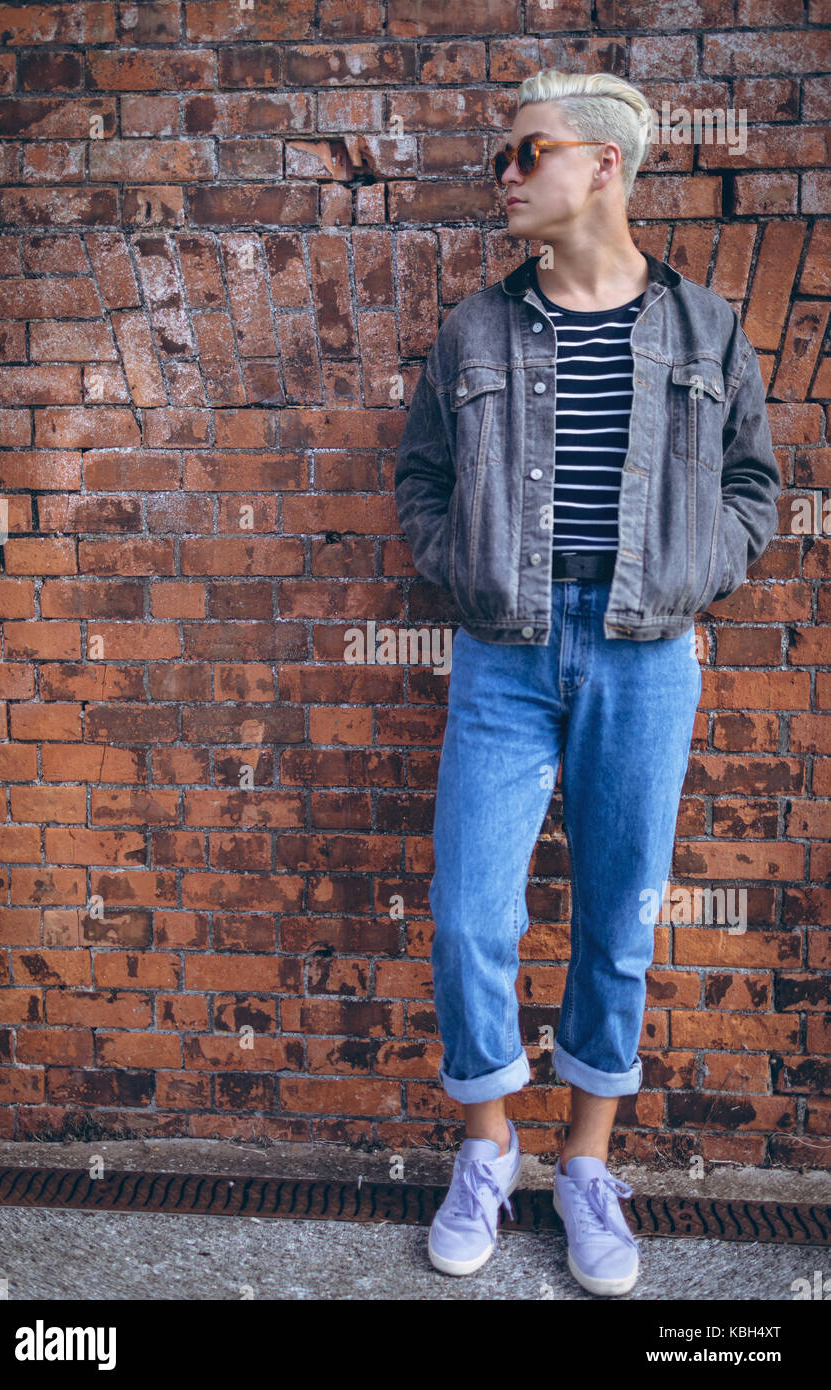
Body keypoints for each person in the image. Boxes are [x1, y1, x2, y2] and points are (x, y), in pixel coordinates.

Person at [394, 68, 780, 1296]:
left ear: (601, 164)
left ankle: (584, 1168)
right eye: (502, 159)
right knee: (470, 918)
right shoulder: (474, 329)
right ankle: (487, 1149)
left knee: (615, 923)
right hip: (504, 650)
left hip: (644, 652)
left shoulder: (705, 328)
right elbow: (417, 479)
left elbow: (752, 490)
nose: (504, 177)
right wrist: (456, 562)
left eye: (525, 154)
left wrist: (686, 570)